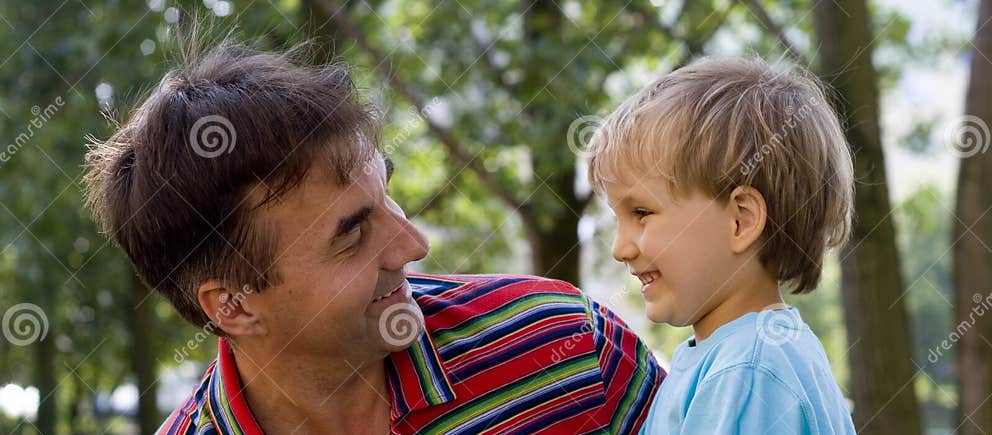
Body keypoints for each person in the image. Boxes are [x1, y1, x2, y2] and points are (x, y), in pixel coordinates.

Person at [82, 40, 661, 434]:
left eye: (386, 196)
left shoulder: (569, 350)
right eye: (353, 234)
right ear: (232, 305)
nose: (412, 244)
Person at [586, 57, 857, 434]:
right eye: (619, 219)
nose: (620, 248)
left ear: (740, 221)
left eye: (642, 212)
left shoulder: (750, 369)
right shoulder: (732, 357)